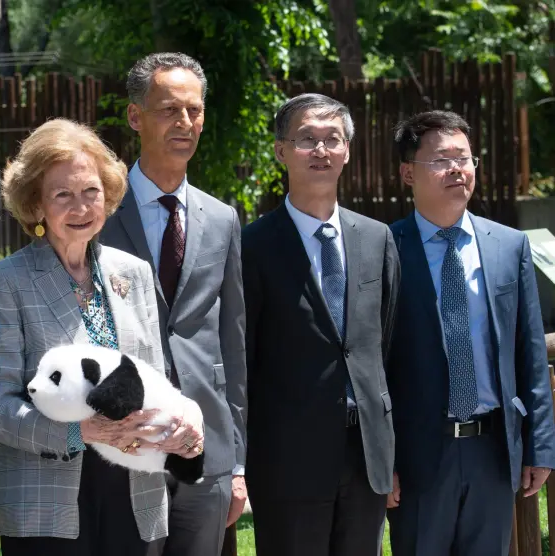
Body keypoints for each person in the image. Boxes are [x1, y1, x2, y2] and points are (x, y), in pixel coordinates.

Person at [0, 118, 203, 556]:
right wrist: (84, 432)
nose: (80, 207)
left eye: (91, 192)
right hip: (47, 503)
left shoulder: (133, 273)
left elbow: (156, 378)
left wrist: (184, 416)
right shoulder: (7, 280)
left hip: (133, 489)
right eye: (63, 195)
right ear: (36, 205)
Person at [386, 110, 555, 556]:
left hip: (492, 451)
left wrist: (539, 446)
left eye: (465, 158)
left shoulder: (508, 245)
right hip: (419, 453)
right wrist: (384, 461)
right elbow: (372, 363)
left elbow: (530, 353)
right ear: (408, 173)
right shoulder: (383, 249)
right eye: (441, 160)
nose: (457, 169)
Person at [97, 52, 246, 556]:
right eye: (169, 110)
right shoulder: (96, 215)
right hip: (125, 441)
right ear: (135, 117)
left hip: (204, 448)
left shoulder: (223, 218)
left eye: (195, 110)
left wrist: (237, 464)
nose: (185, 123)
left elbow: (233, 342)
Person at [241, 93, 399, 556]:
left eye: (332, 139)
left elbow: (384, 347)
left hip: (365, 453)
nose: (321, 150)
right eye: (307, 139)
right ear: (281, 150)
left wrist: (391, 453)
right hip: (288, 460)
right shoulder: (253, 245)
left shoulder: (376, 237)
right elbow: (243, 356)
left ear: (348, 150)